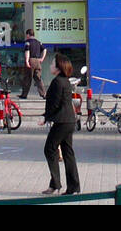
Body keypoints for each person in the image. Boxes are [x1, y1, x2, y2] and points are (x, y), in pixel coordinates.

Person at [39, 52, 80, 196]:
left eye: (52, 63)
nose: (50, 65)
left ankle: (56, 184)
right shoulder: (65, 80)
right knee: (68, 153)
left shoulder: (58, 82)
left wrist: (46, 117)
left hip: (62, 121)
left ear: (58, 67)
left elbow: (55, 104)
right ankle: (73, 187)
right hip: (69, 120)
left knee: (50, 149)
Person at [20, 29, 46, 98]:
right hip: (38, 61)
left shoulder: (27, 42)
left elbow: (27, 51)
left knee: (27, 78)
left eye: (26, 35)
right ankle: (43, 94)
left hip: (31, 60)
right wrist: (42, 58)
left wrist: (27, 61)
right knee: (38, 78)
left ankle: (24, 95)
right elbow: (44, 49)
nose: (26, 36)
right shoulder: (38, 42)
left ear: (28, 34)